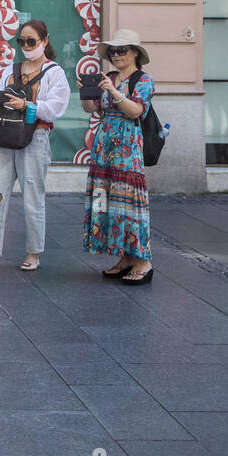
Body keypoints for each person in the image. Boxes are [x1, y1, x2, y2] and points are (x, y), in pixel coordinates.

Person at [0, 20, 70, 273]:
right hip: (5, 138)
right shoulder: (10, 69)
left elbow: (57, 107)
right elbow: (2, 98)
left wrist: (26, 106)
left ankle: (33, 253)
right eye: (21, 41)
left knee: (33, 198)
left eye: (31, 41)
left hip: (35, 138)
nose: (25, 46)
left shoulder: (54, 72)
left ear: (44, 41)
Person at [81, 29, 155, 285]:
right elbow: (95, 110)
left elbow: (135, 111)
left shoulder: (143, 80)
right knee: (108, 199)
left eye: (122, 50)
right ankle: (124, 257)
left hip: (127, 147)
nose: (116, 55)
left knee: (130, 203)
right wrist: (88, 94)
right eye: (113, 51)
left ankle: (143, 261)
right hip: (104, 145)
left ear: (136, 52)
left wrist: (113, 91)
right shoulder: (109, 76)